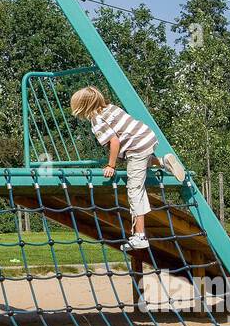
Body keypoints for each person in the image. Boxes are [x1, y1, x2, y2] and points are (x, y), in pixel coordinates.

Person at [69, 86, 187, 251]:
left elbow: (115, 142)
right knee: (139, 161)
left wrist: (111, 165)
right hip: (146, 137)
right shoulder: (111, 108)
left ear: (82, 107)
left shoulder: (97, 120)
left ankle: (140, 236)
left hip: (137, 148)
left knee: (134, 189)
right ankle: (162, 162)